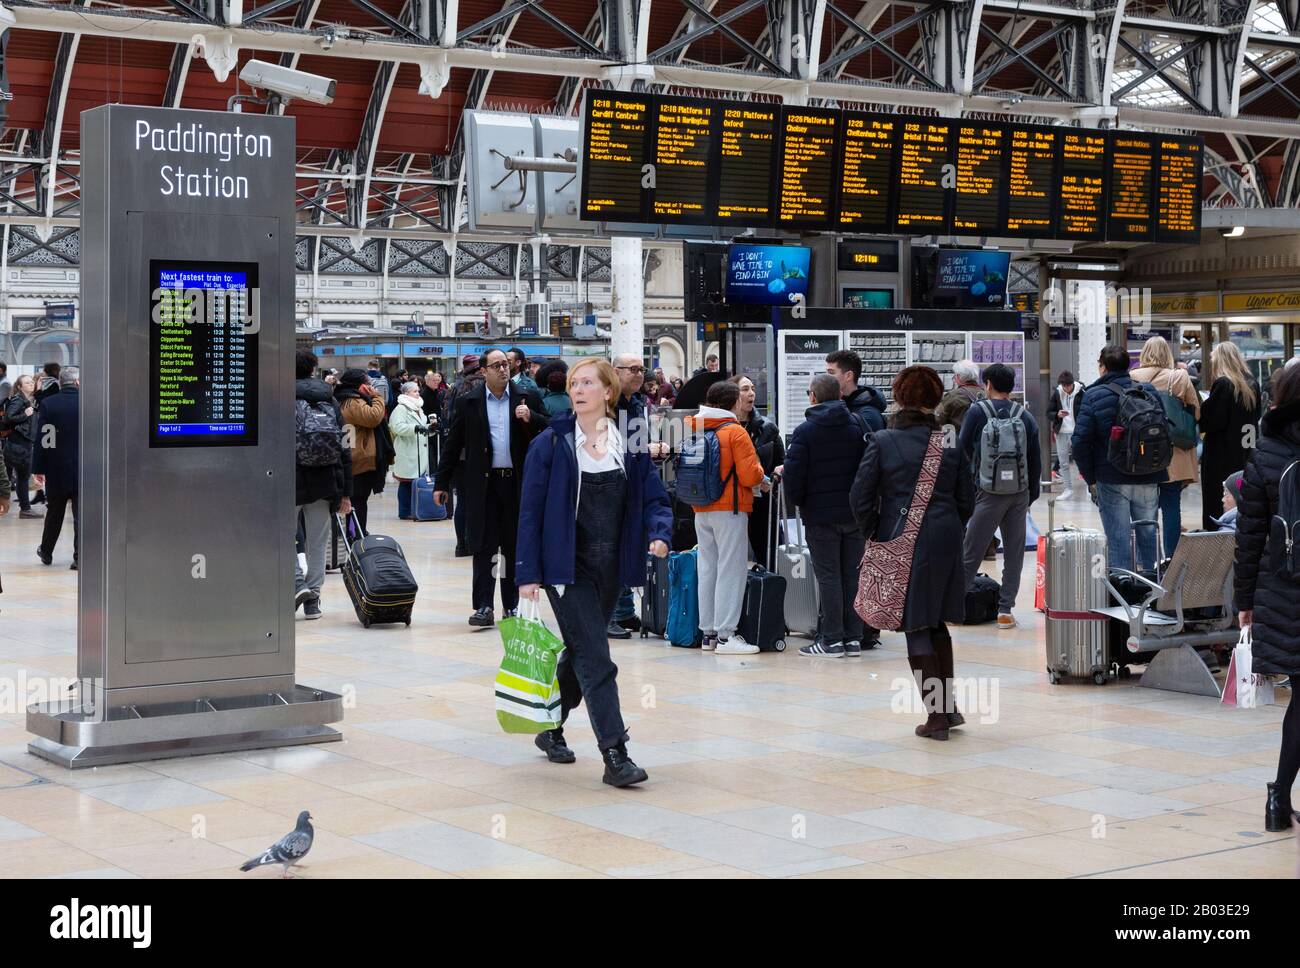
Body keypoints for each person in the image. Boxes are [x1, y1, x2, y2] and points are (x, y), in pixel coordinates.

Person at [516, 358, 672, 787]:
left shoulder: (631, 439)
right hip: (567, 569)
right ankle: (615, 755)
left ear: (608, 392)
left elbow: (654, 497)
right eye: (573, 383)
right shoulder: (550, 443)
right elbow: (529, 513)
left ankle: (550, 726)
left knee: (582, 652)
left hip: (613, 567)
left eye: (588, 383)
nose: (579, 389)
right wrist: (527, 573)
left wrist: (659, 532)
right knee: (598, 660)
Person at [851, 366, 975, 740]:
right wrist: (949, 522)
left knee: (915, 624)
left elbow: (860, 496)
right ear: (936, 399)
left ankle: (936, 718)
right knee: (936, 621)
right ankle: (948, 709)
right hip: (946, 535)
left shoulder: (884, 440)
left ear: (900, 398)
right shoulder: (948, 438)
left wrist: (876, 529)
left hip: (903, 535)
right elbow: (967, 496)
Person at [434, 348, 548, 628]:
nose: (503, 369)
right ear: (483, 371)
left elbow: (549, 429)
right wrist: (442, 482)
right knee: (484, 546)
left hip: (515, 483)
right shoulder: (469, 402)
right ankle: (484, 605)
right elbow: (453, 445)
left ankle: (510, 605)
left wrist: (530, 417)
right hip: (482, 484)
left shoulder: (527, 397)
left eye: (506, 364)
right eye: (496, 365)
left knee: (510, 547)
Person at [1233, 363, 1300, 832]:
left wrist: (1244, 601)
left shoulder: (1265, 453)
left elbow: (1249, 536)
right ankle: (1278, 794)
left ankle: (1278, 798)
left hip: (1283, 588)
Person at [782, 374, 868, 657]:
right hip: (854, 515)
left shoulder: (805, 431)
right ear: (840, 396)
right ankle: (854, 638)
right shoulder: (857, 425)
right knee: (852, 576)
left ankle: (831, 639)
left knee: (829, 576)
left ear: (813, 397)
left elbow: (794, 475)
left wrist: (797, 503)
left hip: (820, 516)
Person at [958, 363, 1041, 629]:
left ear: (988, 384)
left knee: (972, 549)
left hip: (986, 491)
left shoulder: (977, 412)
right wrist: (1031, 495)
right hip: (1018, 492)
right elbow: (1035, 458)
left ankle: (956, 606)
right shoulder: (1024, 416)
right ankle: (1005, 611)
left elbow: (961, 450)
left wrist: (968, 488)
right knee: (1014, 554)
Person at [686, 379, 766, 654]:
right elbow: (750, 474)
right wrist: (762, 477)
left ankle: (708, 633)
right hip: (729, 507)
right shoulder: (735, 431)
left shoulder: (696, 428)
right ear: (733, 402)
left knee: (707, 567)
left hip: (701, 507)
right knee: (731, 569)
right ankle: (725, 636)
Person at [1071, 345, 1165, 571]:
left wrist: (1091, 477)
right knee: (1149, 535)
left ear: (1102, 367)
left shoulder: (1093, 395)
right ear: (1128, 366)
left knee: (1118, 539)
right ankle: (1154, 592)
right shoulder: (1148, 392)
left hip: (1111, 476)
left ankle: (1123, 594)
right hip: (1148, 474)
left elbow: (1080, 441)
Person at [610, 353, 669, 638]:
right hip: (608, 484)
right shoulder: (607, 404)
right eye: (632, 369)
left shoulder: (636, 404)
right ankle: (608, 614)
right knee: (610, 550)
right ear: (614, 371)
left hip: (632, 481)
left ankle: (623, 611)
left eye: (641, 369)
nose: (638, 374)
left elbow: (635, 443)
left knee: (628, 544)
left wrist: (649, 448)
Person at [294, 350, 352, 619]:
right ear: (313, 369)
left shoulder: (281, 396)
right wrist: (345, 491)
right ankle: (313, 600)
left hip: (289, 479)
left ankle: (296, 584)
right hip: (325, 479)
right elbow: (345, 447)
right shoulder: (330, 398)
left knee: (281, 538)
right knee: (317, 543)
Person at [1131, 336, 1200, 556]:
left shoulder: (1132, 377)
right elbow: (1196, 412)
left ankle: (1148, 560)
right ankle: (1171, 557)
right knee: (1171, 505)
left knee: (1145, 508)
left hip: (1143, 452)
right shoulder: (1179, 377)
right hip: (1173, 452)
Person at [1200, 341, 1262, 530]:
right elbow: (1256, 416)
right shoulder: (1252, 384)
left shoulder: (1223, 384)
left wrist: (1205, 404)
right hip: (1245, 452)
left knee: (1218, 502)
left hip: (1221, 456)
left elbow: (1211, 422)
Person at [728, 374, 783, 570]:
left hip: (762, 505)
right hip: (732, 505)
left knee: (770, 557)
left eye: (752, 388)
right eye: (745, 389)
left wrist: (772, 482)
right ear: (733, 395)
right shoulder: (724, 428)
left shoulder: (768, 428)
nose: (751, 393)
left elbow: (780, 463)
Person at [33, 367, 80, 569]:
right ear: (77, 383)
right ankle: (79, 557)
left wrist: (39, 468)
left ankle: (46, 551)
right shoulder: (90, 403)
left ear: (60, 383)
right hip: (84, 469)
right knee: (81, 514)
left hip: (57, 468)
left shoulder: (49, 403)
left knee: (55, 512)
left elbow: (44, 438)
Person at [334, 369, 387, 535]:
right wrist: (378, 397)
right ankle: (355, 534)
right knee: (358, 501)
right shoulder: (353, 402)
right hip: (358, 459)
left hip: (354, 456)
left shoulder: (343, 399)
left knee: (357, 500)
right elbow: (373, 417)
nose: (371, 387)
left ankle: (355, 532)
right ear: (361, 385)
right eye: (368, 384)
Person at [446, 354, 485, 557]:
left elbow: (448, 418)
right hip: (478, 453)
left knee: (462, 499)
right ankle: (476, 541)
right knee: (480, 500)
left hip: (459, 453)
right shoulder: (483, 386)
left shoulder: (454, 387)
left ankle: (461, 544)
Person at [388, 381, 431, 520]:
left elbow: (422, 427)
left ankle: (415, 509)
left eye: (418, 391)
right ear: (406, 393)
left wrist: (431, 428)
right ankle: (404, 511)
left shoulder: (418, 407)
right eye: (415, 391)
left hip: (419, 451)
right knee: (406, 483)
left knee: (415, 482)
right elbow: (396, 427)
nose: (418, 393)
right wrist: (414, 428)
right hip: (407, 451)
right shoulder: (401, 408)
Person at [2, 375, 41, 518]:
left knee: (20, 478)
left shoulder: (28, 400)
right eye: (27, 382)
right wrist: (25, 414)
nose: (31, 384)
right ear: (19, 386)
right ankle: (25, 509)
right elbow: (8, 418)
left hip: (21, 445)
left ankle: (25, 509)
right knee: (21, 478)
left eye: (32, 382)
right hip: (18, 446)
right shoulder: (18, 400)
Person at [825, 349, 886, 434]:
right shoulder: (837, 404)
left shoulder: (869, 415)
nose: (825, 378)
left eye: (831, 373)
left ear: (848, 376)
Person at [1047, 370, 1084, 498]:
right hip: (1062, 431)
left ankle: (1090, 487)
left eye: (1069, 385)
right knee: (1063, 462)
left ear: (1073, 383)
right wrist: (1057, 415)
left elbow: (1087, 410)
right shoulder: (1057, 393)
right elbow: (1049, 412)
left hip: (1078, 431)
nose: (1067, 388)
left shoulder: (1082, 392)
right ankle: (1068, 489)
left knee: (1083, 459)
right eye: (1064, 386)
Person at [935, 359, 986, 430]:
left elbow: (938, 420)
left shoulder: (952, 396)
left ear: (958, 377)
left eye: (954, 376)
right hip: (982, 439)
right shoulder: (986, 394)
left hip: (956, 439)